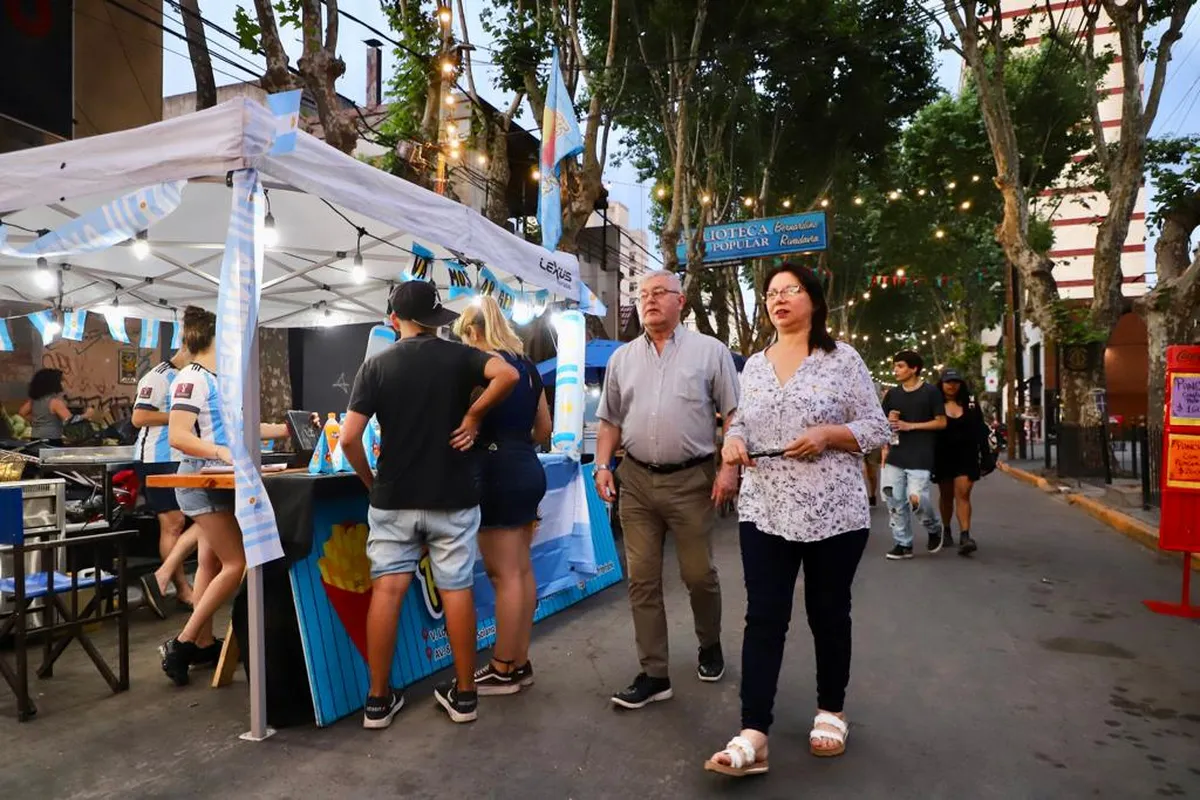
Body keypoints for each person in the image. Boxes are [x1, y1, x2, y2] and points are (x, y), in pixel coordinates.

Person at [704, 263, 891, 778]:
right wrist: (732, 442)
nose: (778, 299)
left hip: (833, 509)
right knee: (764, 616)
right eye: (771, 293)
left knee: (828, 613)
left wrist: (830, 435)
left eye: (791, 290)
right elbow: (739, 419)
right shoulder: (756, 364)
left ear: (814, 299)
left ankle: (831, 709)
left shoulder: (841, 358)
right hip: (764, 506)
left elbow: (877, 428)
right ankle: (753, 732)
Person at [339, 281, 519, 729]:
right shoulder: (461, 357)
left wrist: (370, 482)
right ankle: (465, 695)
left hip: (394, 497)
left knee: (388, 590)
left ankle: (378, 701)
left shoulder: (376, 368)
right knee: (457, 588)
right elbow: (509, 375)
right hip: (452, 495)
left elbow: (347, 438)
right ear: (437, 318)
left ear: (394, 319)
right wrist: (473, 416)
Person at [594, 270, 741, 710]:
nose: (650, 301)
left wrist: (728, 469)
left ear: (681, 301)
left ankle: (709, 643)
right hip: (635, 479)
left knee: (698, 575)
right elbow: (610, 420)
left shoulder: (710, 353)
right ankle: (654, 673)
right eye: (643, 295)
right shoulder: (622, 359)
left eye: (659, 293)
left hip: (692, 479)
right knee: (641, 579)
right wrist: (603, 465)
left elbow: (733, 414)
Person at [159, 307, 290, 685]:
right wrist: (220, 452)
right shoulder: (192, 378)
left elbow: (242, 428)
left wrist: (286, 428)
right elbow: (179, 435)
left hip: (224, 482)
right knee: (236, 563)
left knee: (212, 564)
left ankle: (201, 643)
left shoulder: (220, 379)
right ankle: (182, 643)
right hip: (203, 483)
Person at [452, 296, 552, 695]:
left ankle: (503, 666)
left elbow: (462, 424)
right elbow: (543, 429)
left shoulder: (481, 368)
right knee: (521, 570)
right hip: (527, 466)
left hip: (496, 472)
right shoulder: (528, 367)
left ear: (474, 332)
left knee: (504, 573)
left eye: (465, 339)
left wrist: (479, 426)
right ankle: (520, 660)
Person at [131, 318, 202, 618]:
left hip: (185, 456)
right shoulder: (157, 377)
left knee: (200, 520)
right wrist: (180, 415)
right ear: (187, 346)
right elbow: (139, 418)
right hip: (158, 457)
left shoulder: (194, 377)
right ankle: (181, 590)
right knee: (173, 524)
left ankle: (165, 581)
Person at [881, 350, 947, 559]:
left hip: (921, 454)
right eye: (895, 366)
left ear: (914, 368)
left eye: (900, 366)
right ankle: (903, 543)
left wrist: (911, 426)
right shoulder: (892, 394)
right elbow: (882, 423)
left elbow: (941, 422)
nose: (895, 371)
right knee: (895, 500)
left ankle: (934, 528)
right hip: (896, 454)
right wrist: (887, 434)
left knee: (916, 499)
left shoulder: (930, 392)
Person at [934, 369, 995, 556]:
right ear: (941, 384)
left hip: (966, 456)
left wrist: (986, 456)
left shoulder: (970, 404)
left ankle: (965, 535)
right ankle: (946, 530)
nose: (952, 385)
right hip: (942, 456)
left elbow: (980, 431)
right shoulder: (934, 404)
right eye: (948, 382)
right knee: (946, 496)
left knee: (963, 494)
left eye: (956, 382)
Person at [19, 368, 94, 450]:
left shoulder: (34, 401)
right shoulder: (55, 402)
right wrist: (86, 415)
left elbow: (22, 413)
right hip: (52, 440)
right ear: (54, 383)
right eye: (62, 380)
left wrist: (38, 420)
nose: (64, 383)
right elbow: (70, 420)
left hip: (35, 439)